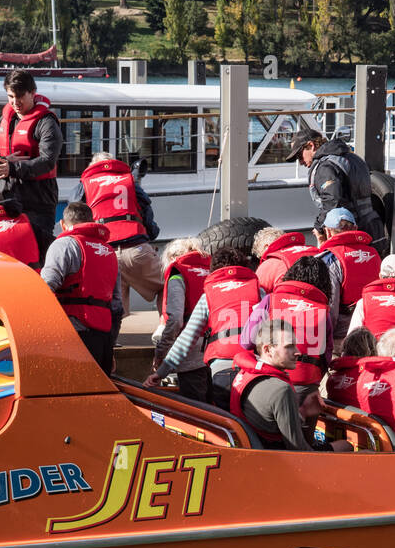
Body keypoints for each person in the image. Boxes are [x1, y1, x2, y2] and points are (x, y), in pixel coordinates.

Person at [145, 246, 260, 403]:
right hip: (254, 365)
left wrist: (161, 371)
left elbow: (187, 337)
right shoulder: (259, 291)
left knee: (221, 419)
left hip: (223, 368)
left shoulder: (208, 295)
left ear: (214, 271)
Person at [230, 317, 350, 452]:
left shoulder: (244, 374)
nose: (298, 352)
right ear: (268, 350)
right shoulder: (280, 389)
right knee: (347, 446)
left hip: (252, 453)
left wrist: (303, 412)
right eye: (289, 346)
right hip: (275, 462)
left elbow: (268, 422)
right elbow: (299, 452)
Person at [70, 151, 163, 312]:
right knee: (168, 284)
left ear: (92, 167)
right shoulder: (129, 181)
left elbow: (74, 215)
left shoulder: (83, 185)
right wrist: (152, 233)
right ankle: (166, 328)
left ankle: (113, 336)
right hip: (136, 250)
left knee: (112, 308)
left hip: (104, 254)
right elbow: (146, 211)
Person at [0, 69, 63, 261]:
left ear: (32, 92)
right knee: (7, 255)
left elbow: (47, 161)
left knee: (37, 255)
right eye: (11, 96)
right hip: (7, 195)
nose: (15, 102)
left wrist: (12, 168)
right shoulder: (5, 120)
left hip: (38, 200)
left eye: (20, 96)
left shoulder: (46, 123)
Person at [40, 200, 122, 374]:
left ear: (63, 224)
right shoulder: (109, 252)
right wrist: (110, 346)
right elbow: (117, 306)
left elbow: (44, 287)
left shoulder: (64, 245)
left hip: (73, 334)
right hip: (103, 336)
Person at [240, 253, 335, 398]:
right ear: (324, 284)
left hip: (271, 379)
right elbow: (326, 356)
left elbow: (247, 342)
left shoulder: (270, 300)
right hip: (307, 385)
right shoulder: (323, 310)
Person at [285, 127, 389, 252]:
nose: (300, 162)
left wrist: (318, 227)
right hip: (374, 230)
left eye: (299, 155)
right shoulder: (354, 158)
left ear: (311, 146)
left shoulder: (325, 167)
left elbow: (332, 200)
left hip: (350, 236)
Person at [154, 237, 211, 402]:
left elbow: (176, 320)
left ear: (171, 257)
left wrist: (161, 352)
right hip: (215, 345)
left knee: (197, 408)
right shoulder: (212, 270)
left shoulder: (177, 275)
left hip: (189, 349)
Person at [314, 206, 380, 341]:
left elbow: (332, 304)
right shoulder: (374, 253)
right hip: (374, 326)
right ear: (355, 229)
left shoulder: (331, 259)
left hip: (345, 333)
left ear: (327, 231)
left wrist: (327, 339)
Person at [323, 326, 376, 409]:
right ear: (372, 351)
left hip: (337, 420)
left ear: (345, 349)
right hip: (362, 420)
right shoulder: (373, 382)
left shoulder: (332, 380)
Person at [256, 229, 320, 291]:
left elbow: (258, 295)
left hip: (290, 299)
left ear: (266, 247)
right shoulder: (314, 251)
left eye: (260, 255)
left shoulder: (270, 263)